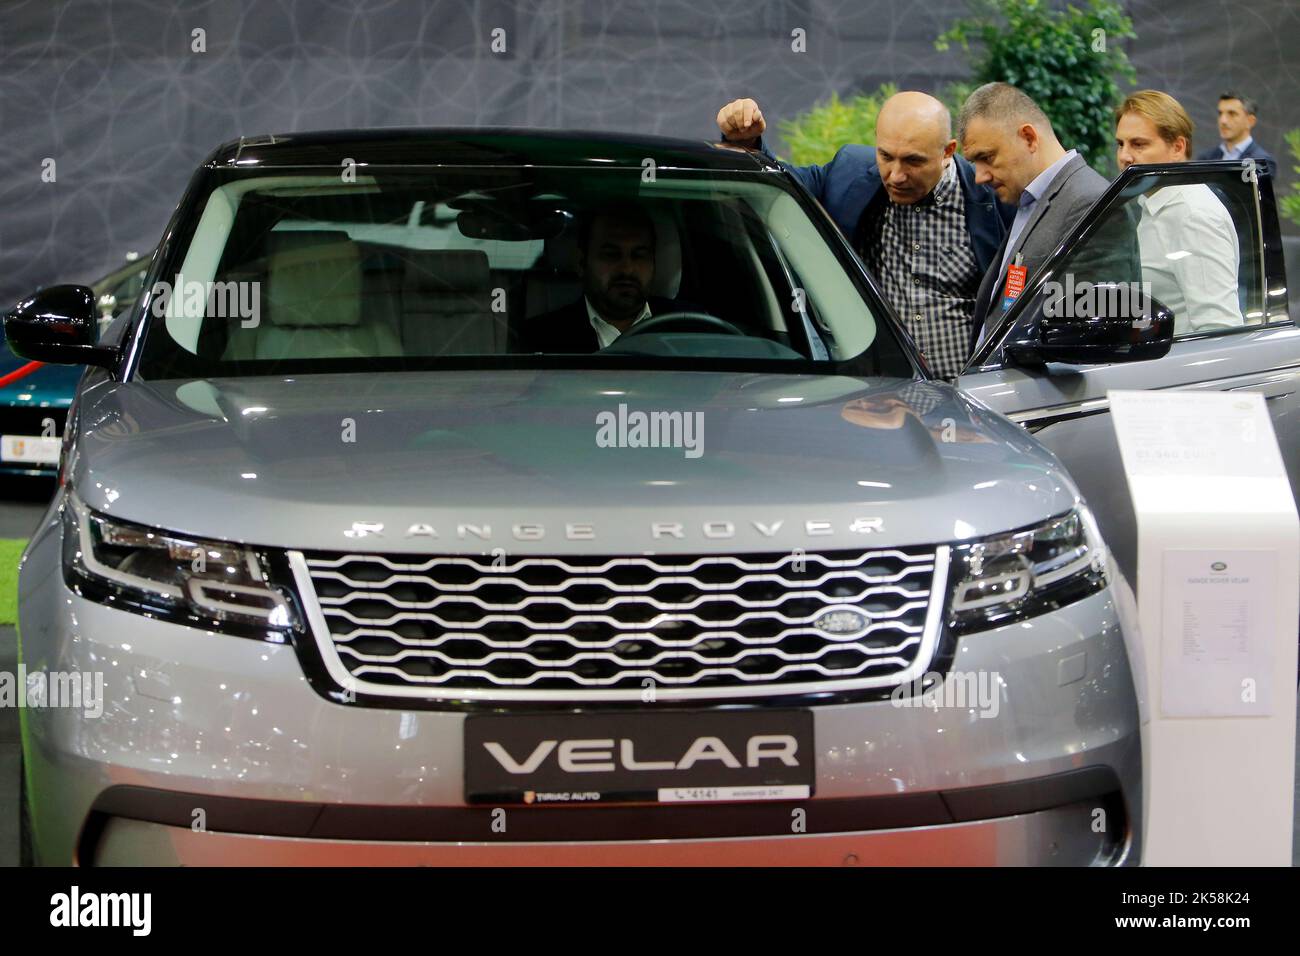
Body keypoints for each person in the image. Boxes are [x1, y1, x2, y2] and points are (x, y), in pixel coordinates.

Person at [717, 91, 1012, 378]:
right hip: (879, 395)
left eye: (913, 161)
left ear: (947, 151)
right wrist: (746, 142)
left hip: (967, 392)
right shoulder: (848, 174)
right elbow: (779, 184)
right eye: (886, 156)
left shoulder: (991, 195)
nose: (896, 175)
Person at [959, 82, 1127, 352]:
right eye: (974, 163)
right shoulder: (1030, 198)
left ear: (1029, 138)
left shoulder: (1089, 202)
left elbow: (1091, 337)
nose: (979, 177)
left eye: (987, 157)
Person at [1116, 90, 1242, 334]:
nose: (1124, 156)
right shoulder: (1155, 205)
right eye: (1120, 144)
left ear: (1178, 147)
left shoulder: (1193, 215)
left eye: (1138, 144)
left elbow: (1219, 331)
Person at [521, 205, 688, 352]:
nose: (627, 269)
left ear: (653, 263)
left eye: (639, 256)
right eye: (611, 255)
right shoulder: (540, 338)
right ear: (581, 262)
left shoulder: (689, 327)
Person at [1196, 91, 1277, 177]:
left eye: (1232, 114)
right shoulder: (1205, 159)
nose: (1223, 120)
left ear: (1250, 121)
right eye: (1220, 113)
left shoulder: (1262, 162)